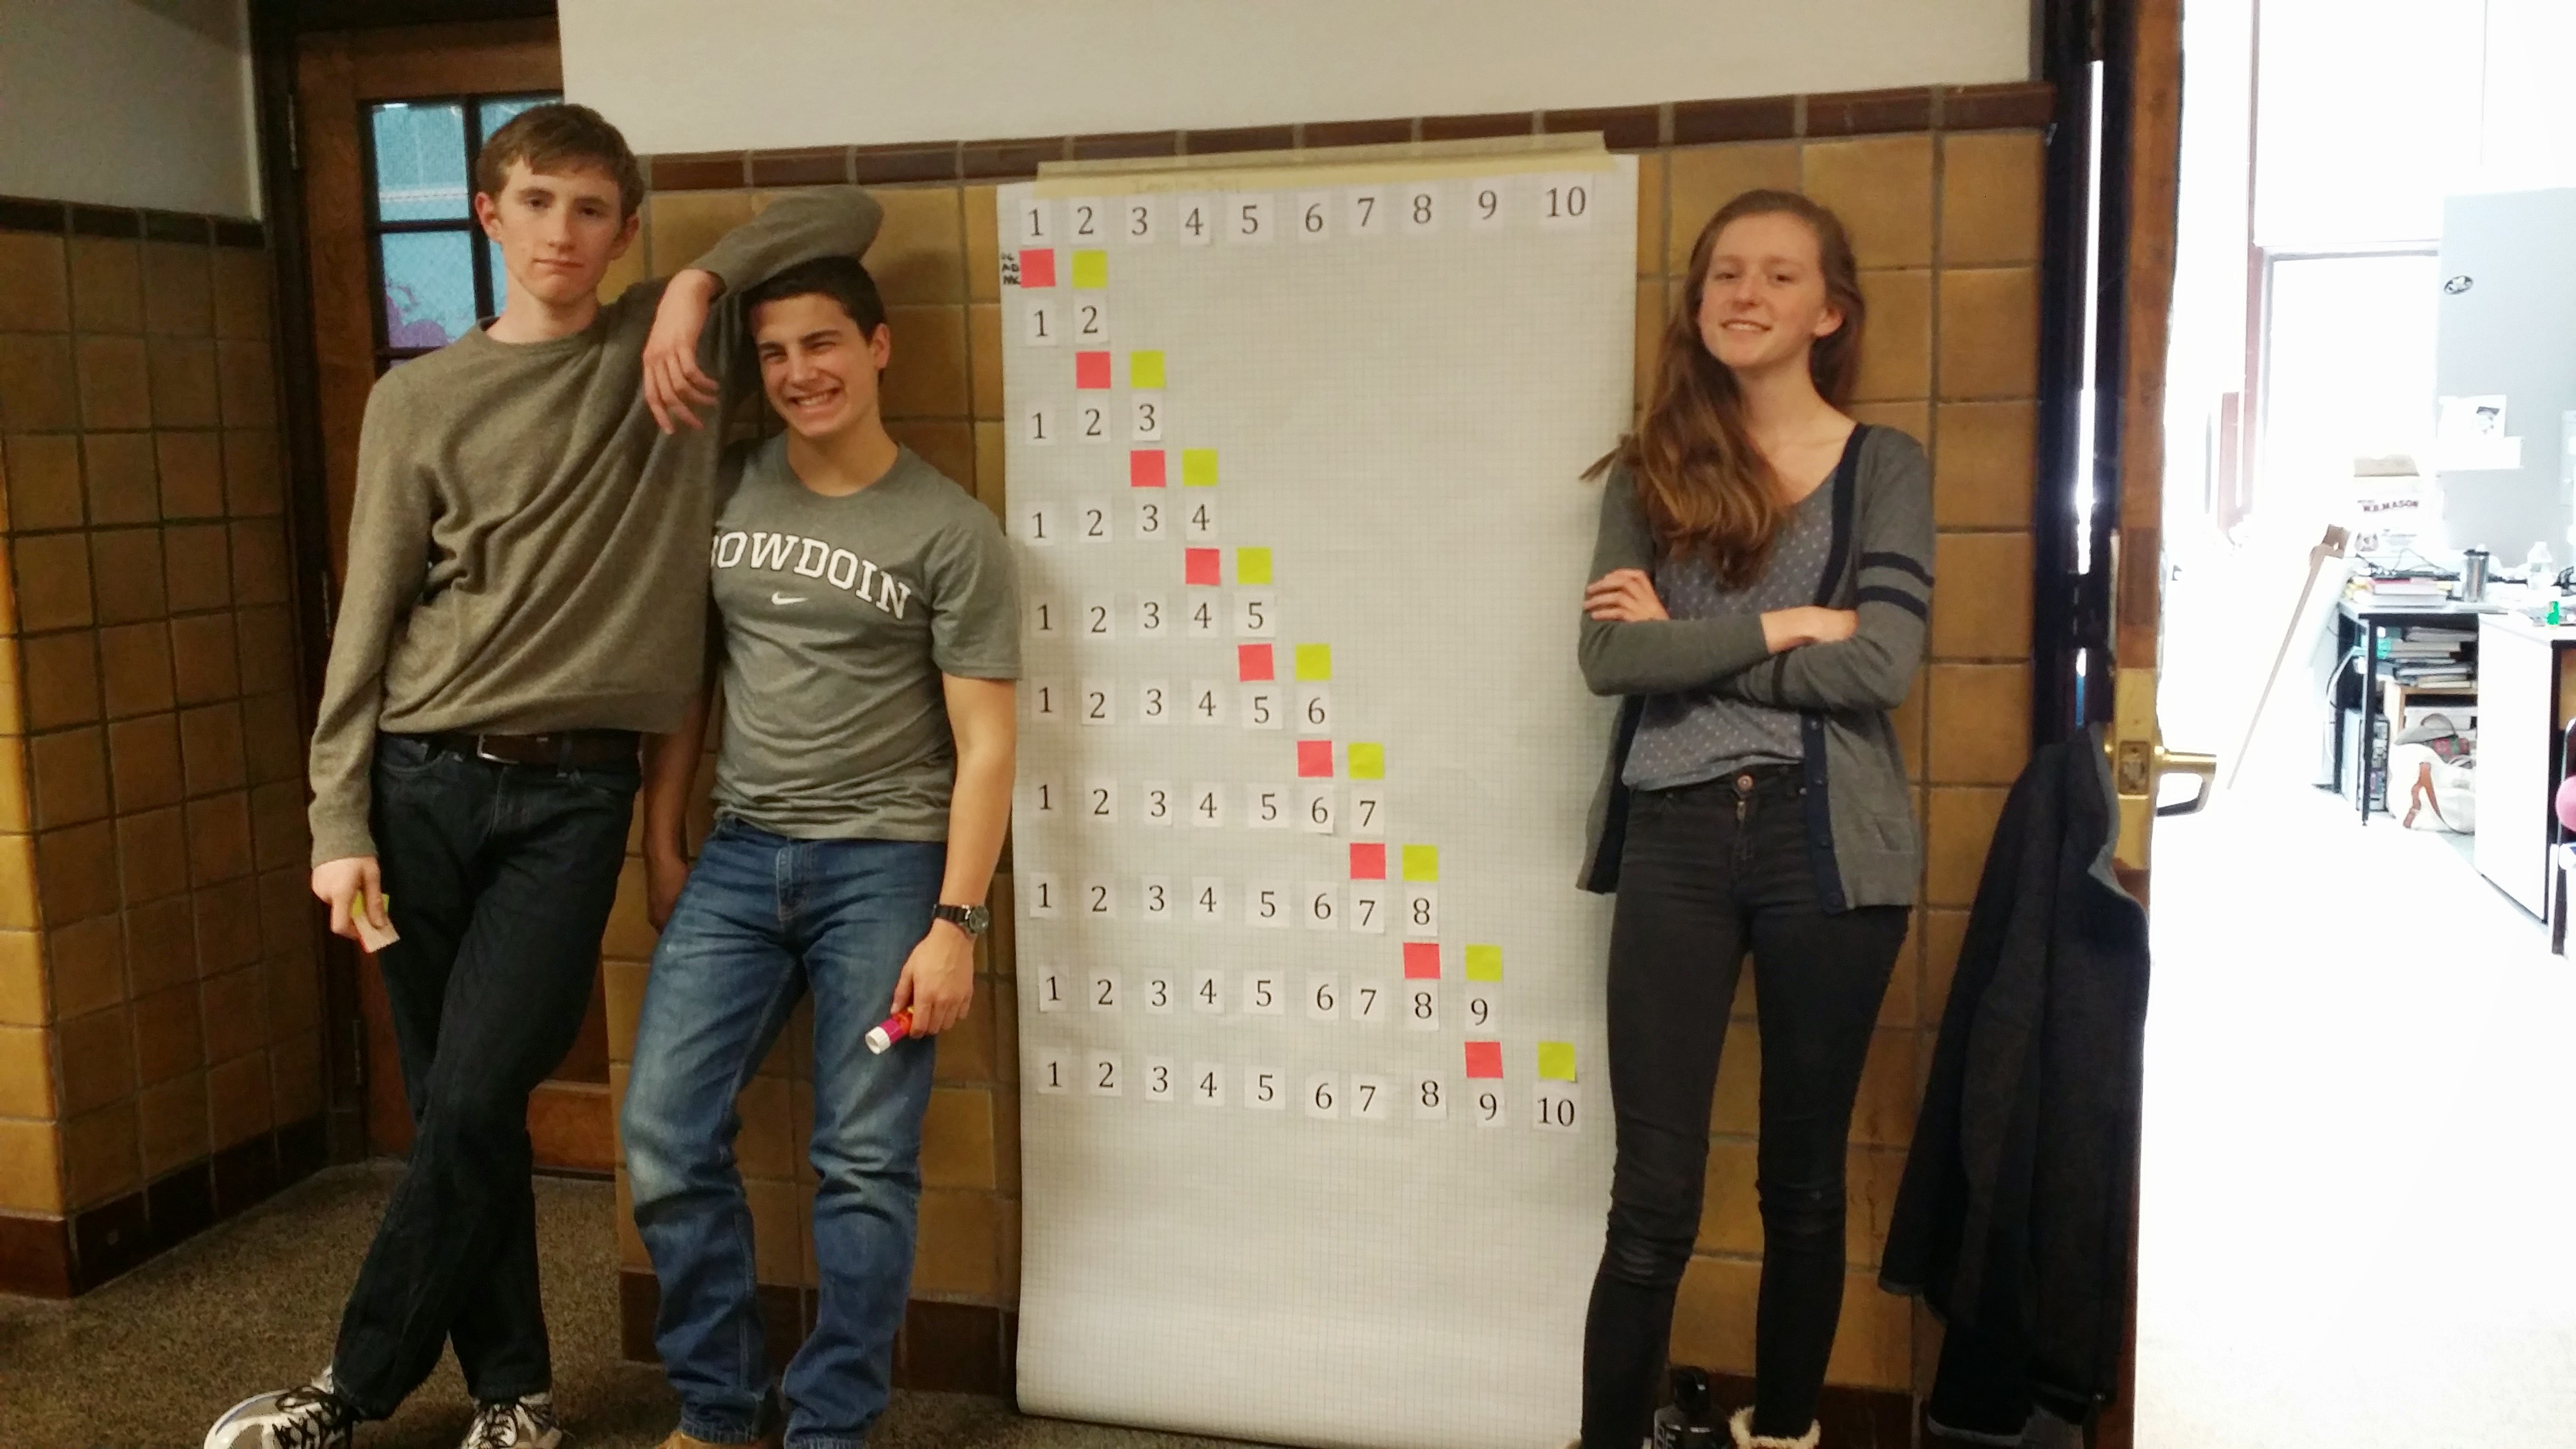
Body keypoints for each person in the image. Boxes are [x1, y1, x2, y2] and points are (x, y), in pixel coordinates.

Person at [203, 104, 882, 1449]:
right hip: (416, 786)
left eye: (589, 209)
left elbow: (847, 216)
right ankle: (515, 1397)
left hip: (574, 799)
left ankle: (350, 1389)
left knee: (469, 1098)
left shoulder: (669, 354)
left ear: (623, 231)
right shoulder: (416, 401)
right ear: (488, 216)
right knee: (465, 1115)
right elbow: (368, 620)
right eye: (533, 202)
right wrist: (337, 819)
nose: (560, 232)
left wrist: (697, 285)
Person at [618, 255, 1018, 1449]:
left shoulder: (952, 529)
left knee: (862, 1159)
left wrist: (956, 924)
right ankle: (718, 1405)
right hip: (740, 855)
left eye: (824, 343)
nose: (801, 372)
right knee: (663, 1134)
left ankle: (831, 1424)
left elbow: (987, 746)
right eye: (776, 352)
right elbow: (689, 679)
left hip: (887, 867)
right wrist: (664, 836)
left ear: (878, 346)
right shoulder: (728, 489)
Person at [1572, 189, 1934, 1449]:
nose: (1746, 293)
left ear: (1829, 311)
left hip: (1826, 847)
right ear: (1697, 302)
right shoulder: (1651, 471)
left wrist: (1692, 643)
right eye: (1726, 272)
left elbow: (1879, 665)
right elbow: (1612, 662)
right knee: (1651, 1202)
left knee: (1804, 1188)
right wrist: (1784, 625)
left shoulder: (1885, 467)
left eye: (1780, 275)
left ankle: (1781, 1433)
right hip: (1673, 836)